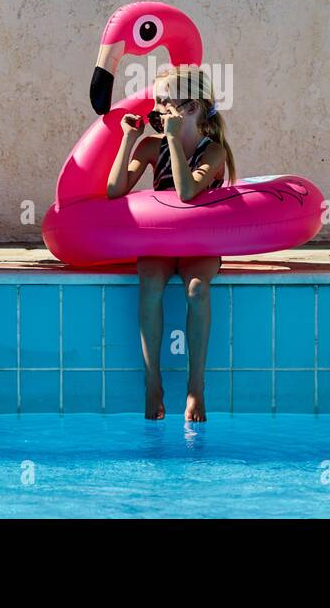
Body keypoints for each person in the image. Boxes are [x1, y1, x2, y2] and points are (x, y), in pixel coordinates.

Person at [105, 65, 235, 421]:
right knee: (149, 283)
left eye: (166, 102)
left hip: (200, 241)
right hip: (161, 240)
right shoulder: (151, 146)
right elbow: (114, 190)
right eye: (158, 101)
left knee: (196, 290)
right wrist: (128, 139)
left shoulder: (214, 154)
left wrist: (176, 140)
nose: (158, 109)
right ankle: (153, 382)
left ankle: (196, 387)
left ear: (191, 108)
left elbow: (187, 192)